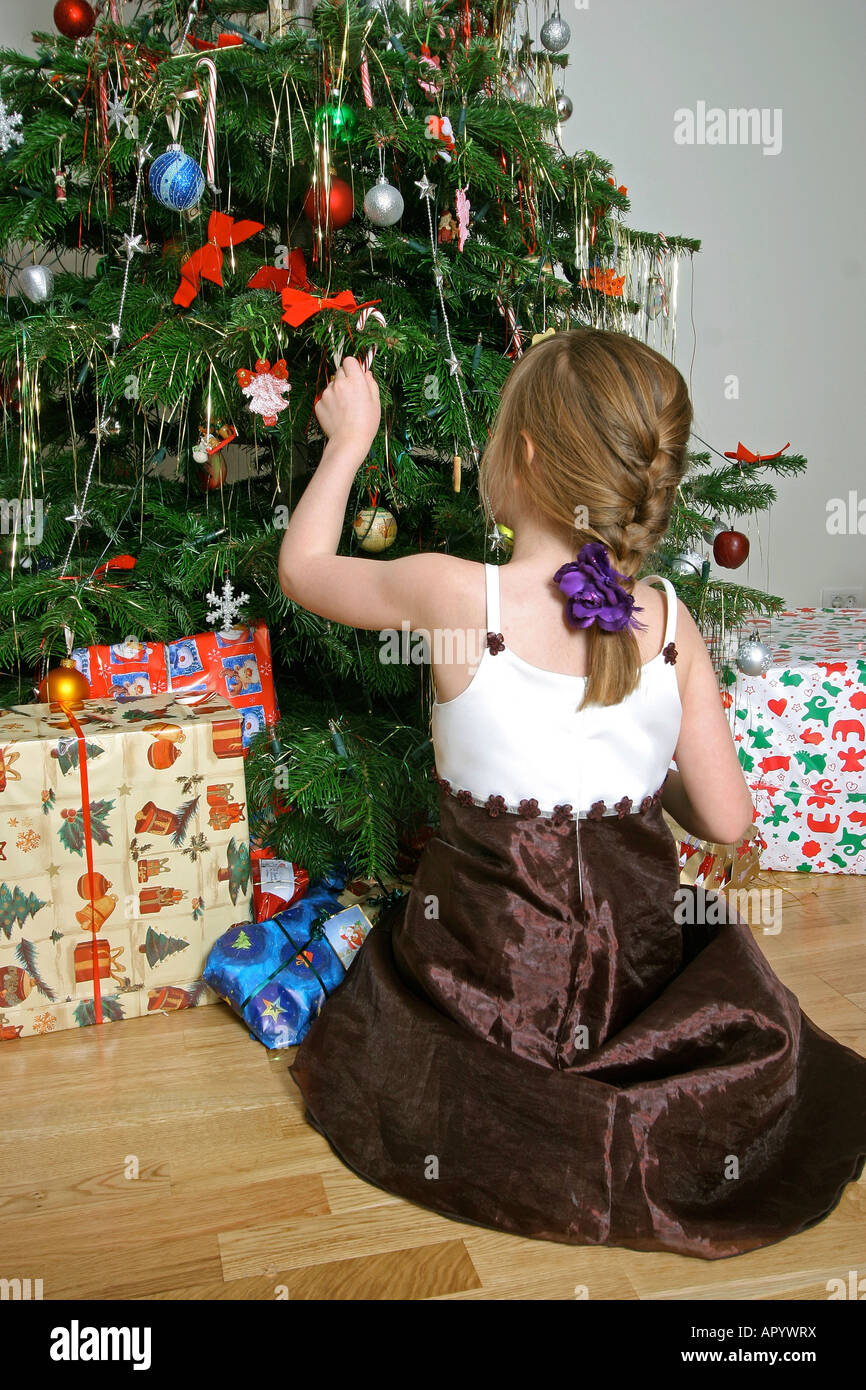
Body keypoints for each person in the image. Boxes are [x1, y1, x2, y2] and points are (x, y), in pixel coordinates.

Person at [277, 329, 866, 1260]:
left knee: (393, 1007)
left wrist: (350, 440)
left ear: (529, 458)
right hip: (634, 973)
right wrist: (640, 766)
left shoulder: (452, 594)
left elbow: (302, 571)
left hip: (484, 974)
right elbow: (729, 819)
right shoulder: (669, 623)